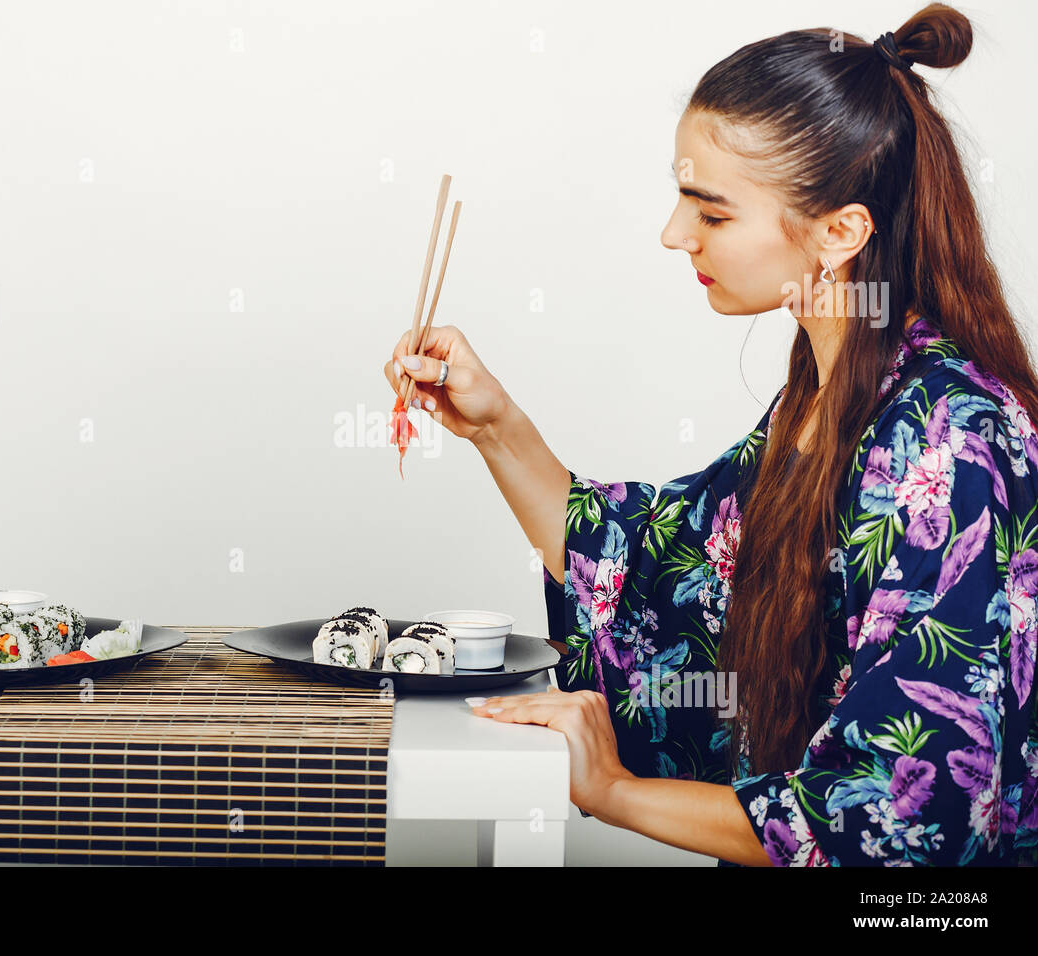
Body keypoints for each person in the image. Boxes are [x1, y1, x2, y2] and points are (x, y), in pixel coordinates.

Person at [384, 5, 1038, 866]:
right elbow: (661, 570)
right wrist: (495, 425)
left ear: (840, 232)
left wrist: (612, 791)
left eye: (713, 213)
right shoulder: (829, 396)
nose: (673, 234)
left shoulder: (951, 445)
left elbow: (887, 820)